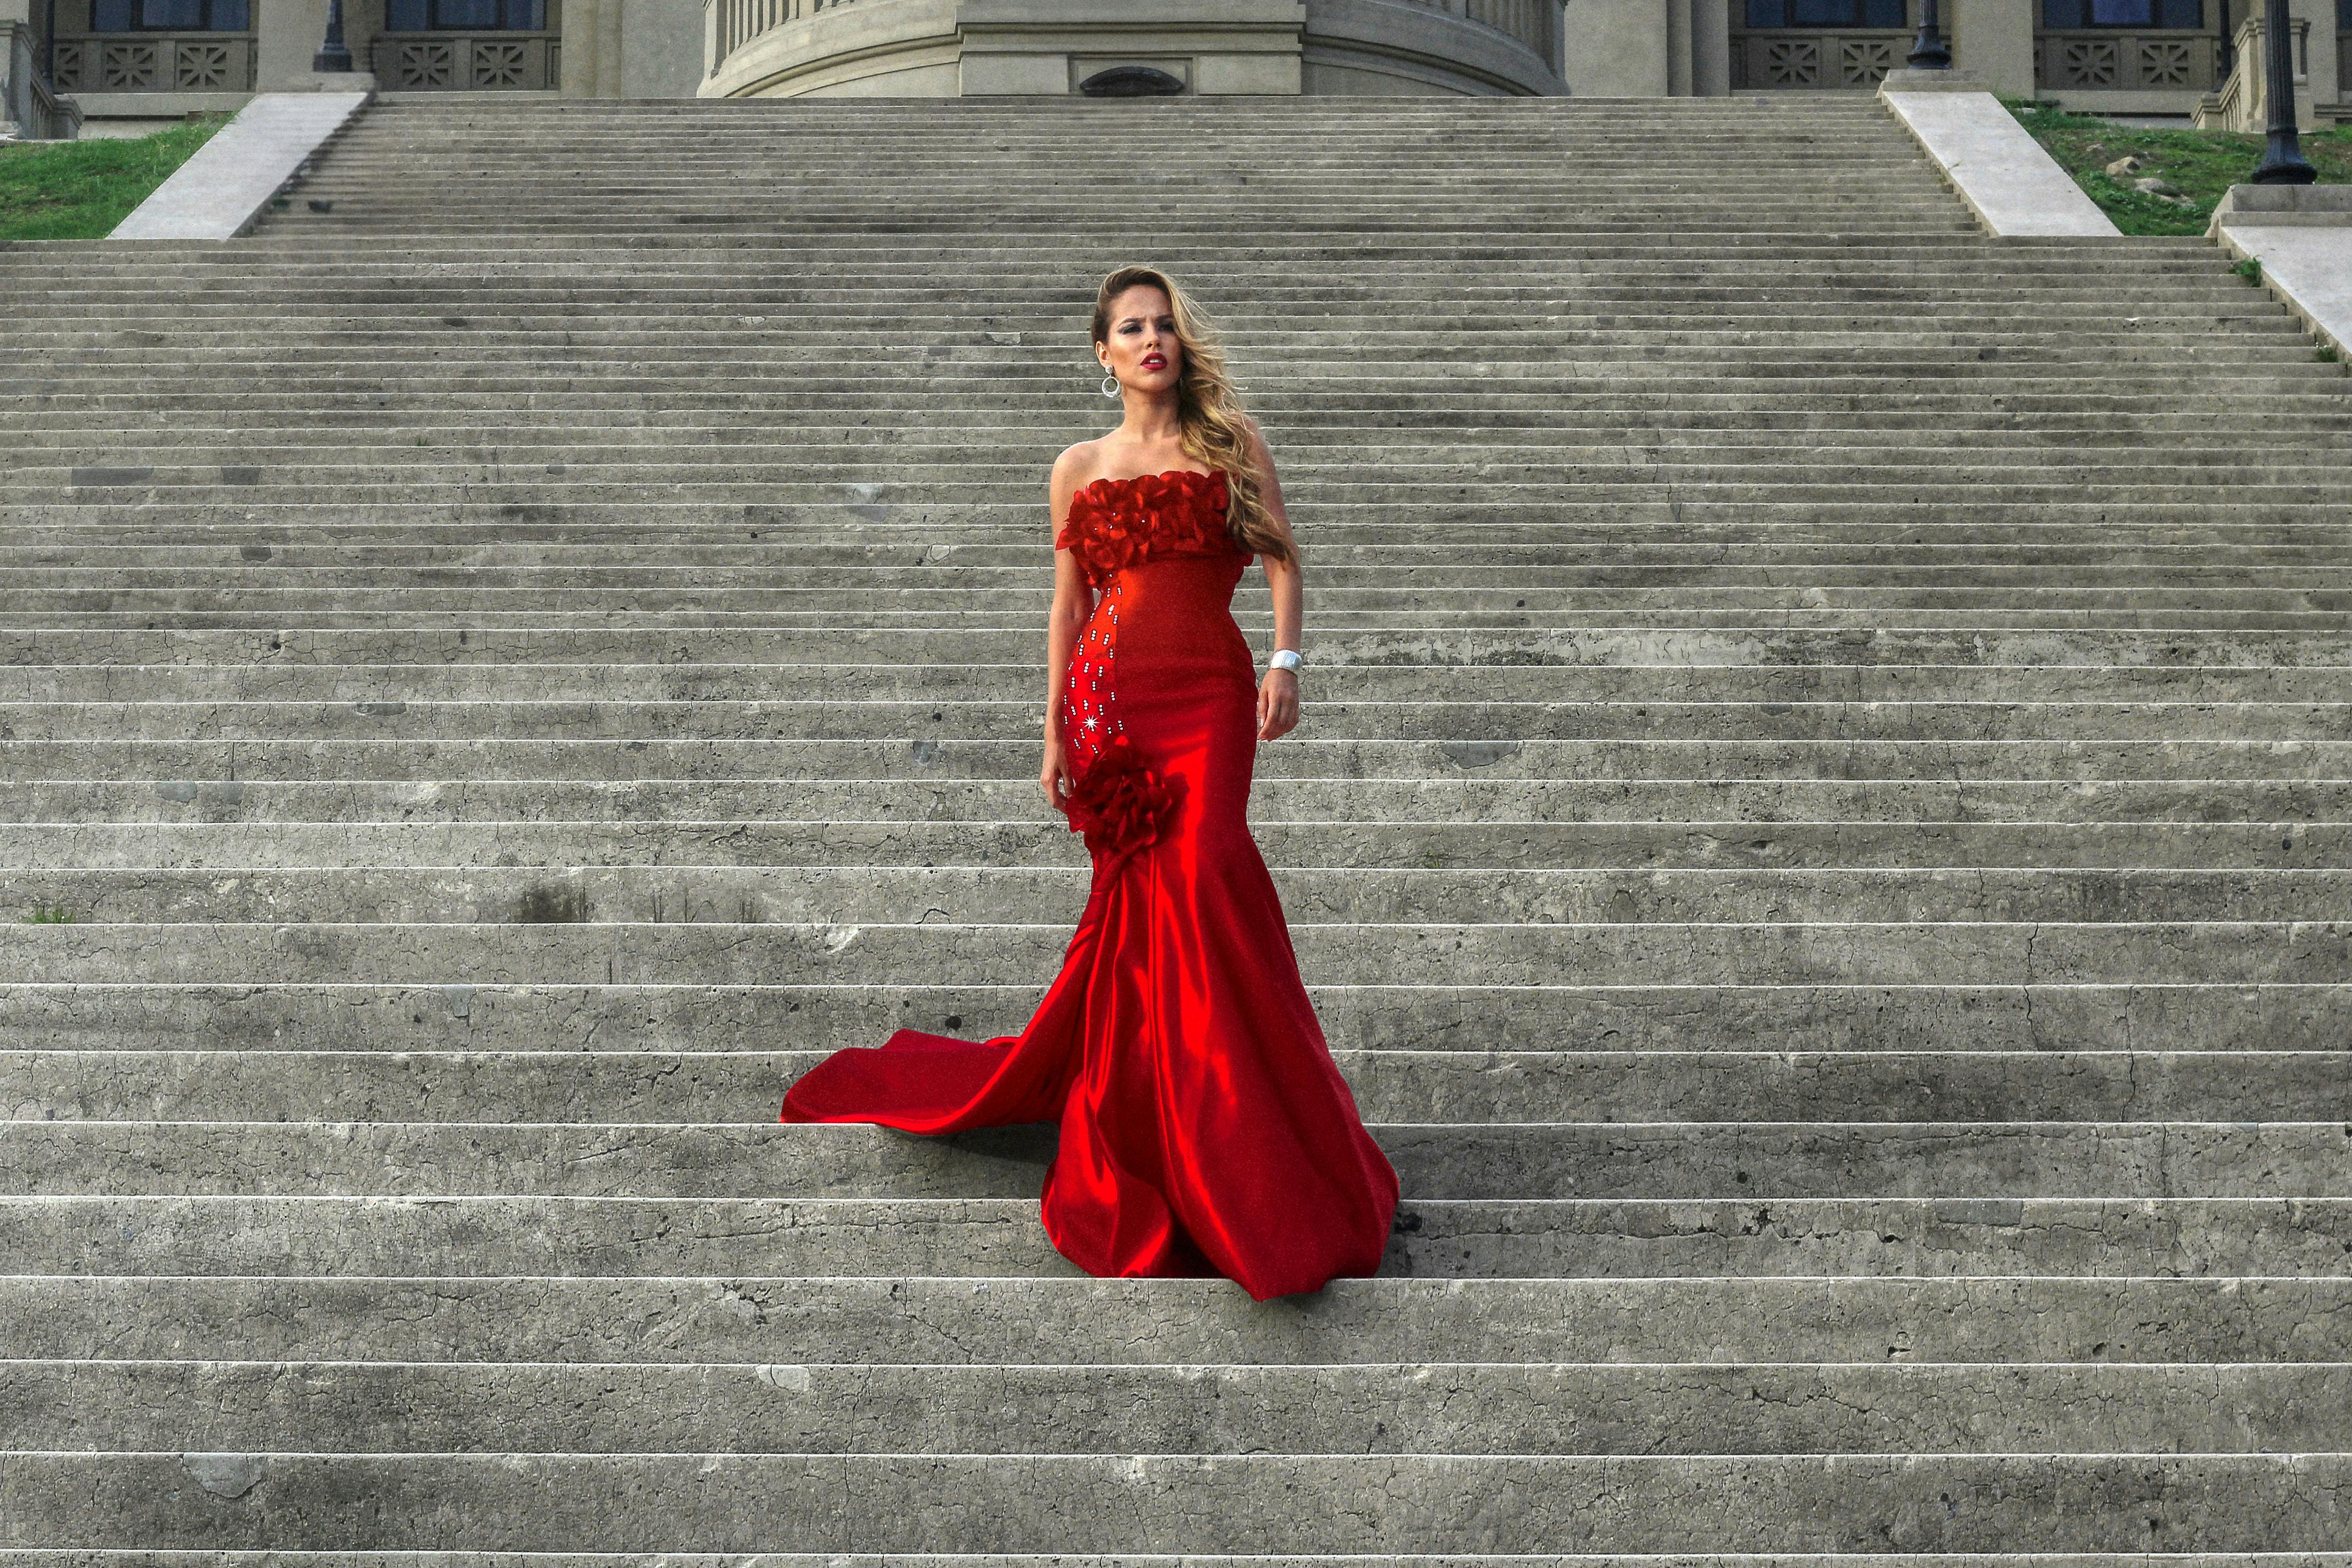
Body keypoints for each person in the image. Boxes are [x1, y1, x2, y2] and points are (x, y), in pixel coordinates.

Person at [780, 265, 1398, 1301]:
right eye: (1129, 328)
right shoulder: (1075, 467)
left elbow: (1282, 557)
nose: (1151, 339)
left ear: (1178, 343)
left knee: (1207, 877)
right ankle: (1166, 1124)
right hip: (1112, 706)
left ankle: (1251, 1137)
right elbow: (1068, 609)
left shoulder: (1230, 444)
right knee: (1151, 912)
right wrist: (1054, 729)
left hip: (1206, 696)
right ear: (1102, 354)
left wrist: (1287, 663)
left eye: (1162, 325)